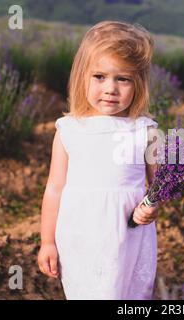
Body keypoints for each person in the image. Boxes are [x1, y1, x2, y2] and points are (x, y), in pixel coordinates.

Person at [37, 20, 160, 299]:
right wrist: (47, 242)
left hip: (128, 236)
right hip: (80, 235)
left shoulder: (145, 131)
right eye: (99, 77)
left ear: (138, 83)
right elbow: (54, 189)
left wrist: (151, 208)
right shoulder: (69, 130)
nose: (110, 88)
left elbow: (158, 187)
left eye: (123, 79)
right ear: (82, 77)